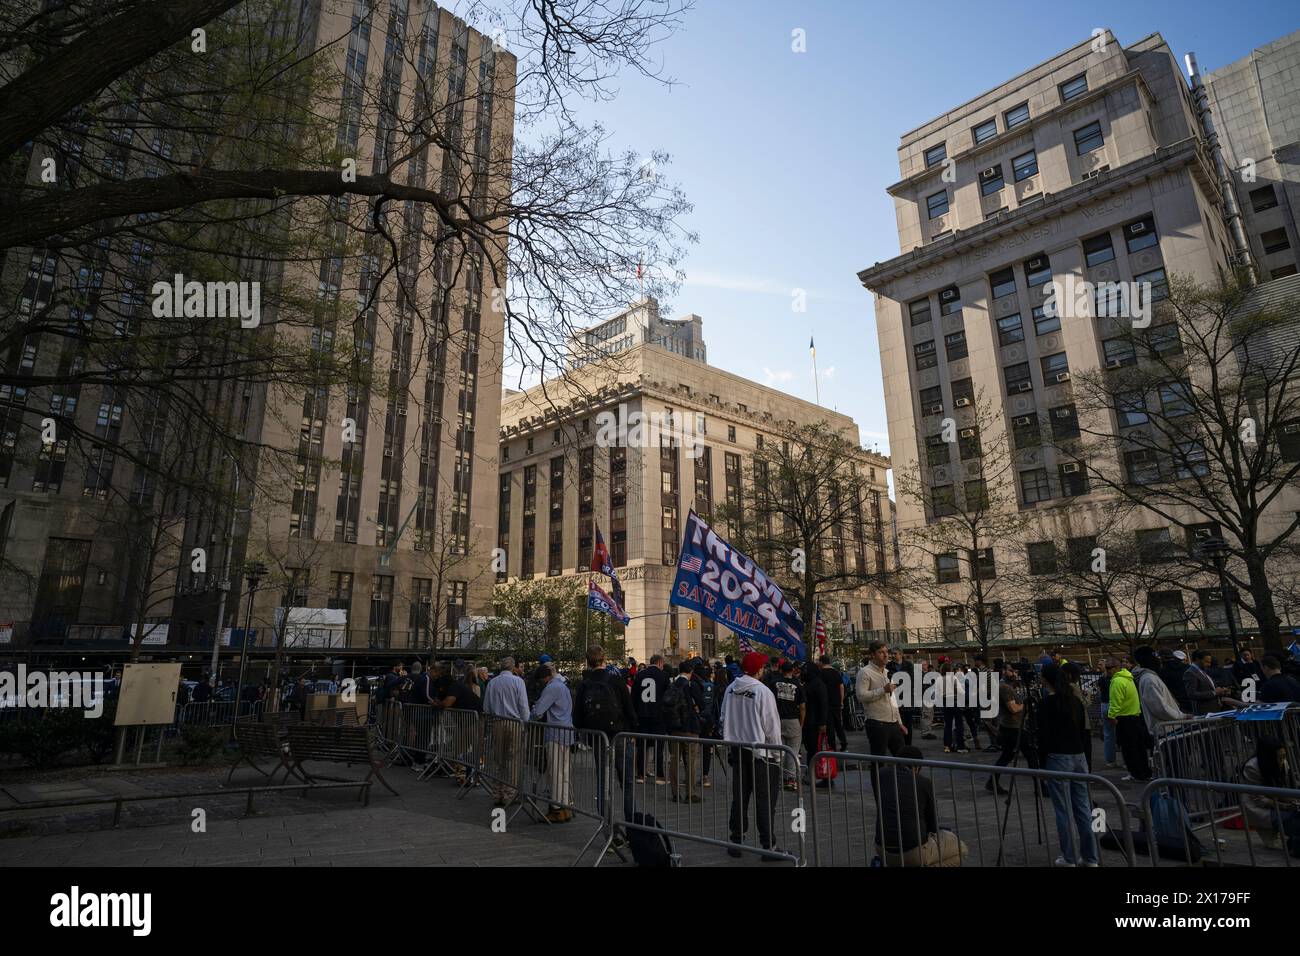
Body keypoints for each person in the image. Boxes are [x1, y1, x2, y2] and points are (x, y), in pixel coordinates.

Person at [721, 651, 784, 860]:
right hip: (761, 754)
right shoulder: (763, 692)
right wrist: (778, 753)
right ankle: (768, 846)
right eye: (763, 667)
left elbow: (723, 717)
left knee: (740, 797)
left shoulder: (731, 689)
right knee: (765, 799)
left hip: (738, 749)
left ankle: (736, 840)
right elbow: (772, 727)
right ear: (759, 669)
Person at [1037, 664, 1099, 867]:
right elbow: (1083, 731)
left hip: (1058, 757)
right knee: (1082, 808)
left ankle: (1069, 856)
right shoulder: (1075, 701)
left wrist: (1041, 761)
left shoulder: (1047, 703)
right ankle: (1091, 857)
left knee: (1063, 811)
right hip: (1078, 755)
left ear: (1046, 680)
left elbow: (1043, 736)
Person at [574, 644, 638, 822]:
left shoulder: (585, 684)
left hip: (598, 739)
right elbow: (630, 710)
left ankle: (607, 827)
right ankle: (632, 824)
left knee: (603, 783)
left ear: (588, 662)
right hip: (620, 736)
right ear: (604, 659)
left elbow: (577, 718)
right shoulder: (616, 681)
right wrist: (631, 730)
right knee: (627, 782)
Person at [874, 746, 967, 867]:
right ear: (917, 766)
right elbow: (932, 825)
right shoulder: (924, 782)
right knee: (961, 849)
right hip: (912, 852)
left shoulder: (882, 774)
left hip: (882, 849)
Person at [482, 656, 530, 807]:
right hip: (514, 722)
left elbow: (486, 707)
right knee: (513, 758)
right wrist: (526, 722)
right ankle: (511, 793)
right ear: (513, 667)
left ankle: (497, 792)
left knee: (498, 759)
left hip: (497, 722)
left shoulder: (492, 682)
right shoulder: (518, 682)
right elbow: (523, 706)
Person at [530, 663, 575, 823]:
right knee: (564, 773)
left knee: (555, 773)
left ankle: (556, 809)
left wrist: (530, 717)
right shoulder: (563, 686)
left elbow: (538, 711)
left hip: (555, 733)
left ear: (544, 678)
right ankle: (564, 807)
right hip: (566, 732)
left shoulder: (552, 687)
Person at [1241, 736, 1300, 851]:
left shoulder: (1283, 763)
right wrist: (1286, 806)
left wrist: (1293, 801)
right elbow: (1260, 799)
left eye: (1284, 756)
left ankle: (1293, 842)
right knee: (1294, 819)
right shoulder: (1251, 767)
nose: (1282, 760)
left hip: (1276, 802)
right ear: (1269, 757)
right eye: (1279, 757)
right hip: (1258, 807)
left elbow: (1281, 789)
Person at [987, 663, 1039, 794]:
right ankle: (1040, 787)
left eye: (1016, 671)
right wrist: (1025, 704)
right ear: (1004, 671)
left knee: (1006, 756)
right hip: (1014, 728)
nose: (1014, 674)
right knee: (1031, 756)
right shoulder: (1005, 688)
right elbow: (1013, 708)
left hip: (1011, 726)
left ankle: (991, 782)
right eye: (1011, 671)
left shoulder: (1008, 687)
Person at [1105, 656, 1150, 782]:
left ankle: (1135, 773)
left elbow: (1115, 701)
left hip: (1124, 718)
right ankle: (1144, 772)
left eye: (1109, 668)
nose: (1107, 670)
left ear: (1116, 668)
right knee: (1139, 747)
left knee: (1129, 749)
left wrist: (1111, 716)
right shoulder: (1128, 678)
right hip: (1134, 716)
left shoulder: (1117, 681)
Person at [665, 660, 704, 804]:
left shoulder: (672, 685)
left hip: (674, 728)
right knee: (691, 760)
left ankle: (675, 793)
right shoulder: (691, 685)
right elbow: (702, 703)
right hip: (689, 727)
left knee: (674, 759)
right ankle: (690, 793)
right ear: (691, 671)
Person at [856, 642, 903, 759]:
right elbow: (861, 696)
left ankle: (901, 777)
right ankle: (878, 778)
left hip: (893, 722)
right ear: (872, 655)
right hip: (877, 722)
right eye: (881, 652)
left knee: (903, 757)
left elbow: (892, 698)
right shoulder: (865, 672)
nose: (886, 655)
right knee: (878, 761)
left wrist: (900, 722)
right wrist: (883, 690)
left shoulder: (887, 672)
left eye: (886, 652)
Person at [1131, 647, 1188, 741]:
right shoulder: (1149, 679)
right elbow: (1159, 708)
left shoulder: (1151, 676)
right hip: (1167, 730)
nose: (1159, 660)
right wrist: (1182, 716)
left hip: (1170, 727)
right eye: (1156, 657)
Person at [632, 654, 669, 784]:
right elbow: (667, 696)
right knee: (659, 746)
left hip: (642, 714)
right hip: (658, 715)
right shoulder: (663, 676)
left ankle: (641, 774)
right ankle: (659, 775)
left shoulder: (640, 675)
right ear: (660, 663)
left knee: (642, 746)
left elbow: (634, 695)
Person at [771, 660, 806, 791]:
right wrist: (801, 723)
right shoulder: (798, 685)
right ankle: (790, 779)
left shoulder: (773, 683)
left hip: (777, 719)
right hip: (793, 720)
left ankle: (776, 777)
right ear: (792, 670)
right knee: (793, 750)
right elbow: (802, 707)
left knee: (778, 750)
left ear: (781, 670)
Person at [1185, 649, 1240, 715]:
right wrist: (1214, 692)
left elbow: (1210, 688)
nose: (1209, 664)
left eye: (1210, 662)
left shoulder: (1203, 671)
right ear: (1197, 659)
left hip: (1214, 710)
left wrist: (1221, 691)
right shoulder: (1190, 673)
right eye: (1206, 661)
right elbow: (1192, 694)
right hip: (1204, 712)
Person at [801, 659, 829, 785]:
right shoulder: (808, 683)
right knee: (811, 749)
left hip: (815, 722)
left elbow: (823, 704)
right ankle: (814, 774)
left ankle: (820, 775)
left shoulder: (818, 684)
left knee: (815, 750)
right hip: (809, 722)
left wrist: (822, 723)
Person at [695, 660, 719, 788]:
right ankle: (705, 776)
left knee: (692, 749)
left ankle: (692, 775)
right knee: (706, 748)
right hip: (709, 719)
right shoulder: (711, 684)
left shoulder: (695, 683)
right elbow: (715, 704)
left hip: (697, 719)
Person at [819, 656, 848, 752]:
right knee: (838, 723)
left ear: (822, 662)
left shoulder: (821, 673)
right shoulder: (836, 673)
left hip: (826, 703)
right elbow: (841, 687)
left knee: (830, 726)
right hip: (836, 702)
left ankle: (832, 746)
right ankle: (843, 742)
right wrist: (841, 700)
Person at [939, 663, 967, 754]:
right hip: (955, 702)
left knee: (948, 725)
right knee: (959, 725)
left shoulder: (939, 679)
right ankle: (960, 746)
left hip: (945, 702)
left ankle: (947, 746)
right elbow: (961, 692)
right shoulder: (953, 678)